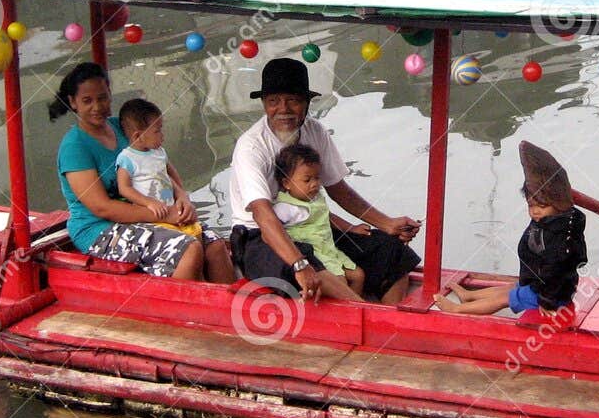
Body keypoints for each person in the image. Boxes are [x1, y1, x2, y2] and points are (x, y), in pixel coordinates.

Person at [228, 57, 419, 303]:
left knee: (390, 250)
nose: (283, 109)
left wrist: (387, 223)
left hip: (312, 226)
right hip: (258, 235)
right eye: (274, 101)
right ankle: (369, 319)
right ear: (265, 104)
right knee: (306, 260)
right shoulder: (251, 146)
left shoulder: (315, 131)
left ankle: (385, 317)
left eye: (293, 100)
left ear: (307, 103)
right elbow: (262, 215)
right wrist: (298, 264)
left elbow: (338, 189)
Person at [49, 63, 233, 282]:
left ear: (110, 95)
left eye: (102, 98)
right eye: (87, 101)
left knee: (215, 246)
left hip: (148, 216)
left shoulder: (123, 127)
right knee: (188, 249)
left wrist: (182, 197)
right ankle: (181, 315)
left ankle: (227, 310)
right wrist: (167, 215)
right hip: (100, 230)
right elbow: (102, 207)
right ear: (73, 102)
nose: (97, 106)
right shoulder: (75, 147)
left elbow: (162, 166)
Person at [434, 141, 586, 319]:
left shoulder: (559, 237)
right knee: (511, 287)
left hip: (553, 294)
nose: (535, 211)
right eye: (531, 206)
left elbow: (557, 272)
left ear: (557, 206)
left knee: (505, 298)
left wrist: (547, 301)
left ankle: (457, 309)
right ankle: (469, 295)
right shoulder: (548, 221)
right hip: (541, 285)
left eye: (542, 206)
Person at [271, 144, 365, 302]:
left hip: (328, 250)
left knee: (358, 275)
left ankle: (355, 312)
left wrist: (350, 228)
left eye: (317, 178)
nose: (314, 184)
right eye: (307, 180)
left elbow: (326, 216)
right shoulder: (285, 207)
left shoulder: (315, 199)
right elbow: (272, 230)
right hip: (314, 255)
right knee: (339, 283)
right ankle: (348, 316)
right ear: (287, 183)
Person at [113, 98, 201, 238]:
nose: (162, 135)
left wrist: (181, 196)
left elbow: (168, 176)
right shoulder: (127, 158)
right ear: (138, 136)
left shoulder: (159, 152)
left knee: (196, 231)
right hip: (150, 215)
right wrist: (149, 203)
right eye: (157, 131)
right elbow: (124, 189)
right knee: (180, 239)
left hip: (169, 205)